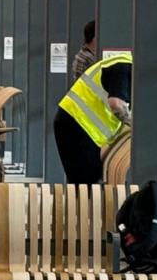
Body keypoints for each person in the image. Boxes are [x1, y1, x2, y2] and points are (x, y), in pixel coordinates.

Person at [53, 52, 132, 184]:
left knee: (85, 184)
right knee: (85, 186)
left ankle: (80, 204)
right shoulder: (124, 66)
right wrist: (135, 125)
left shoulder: (122, 63)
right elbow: (116, 104)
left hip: (79, 125)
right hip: (77, 124)